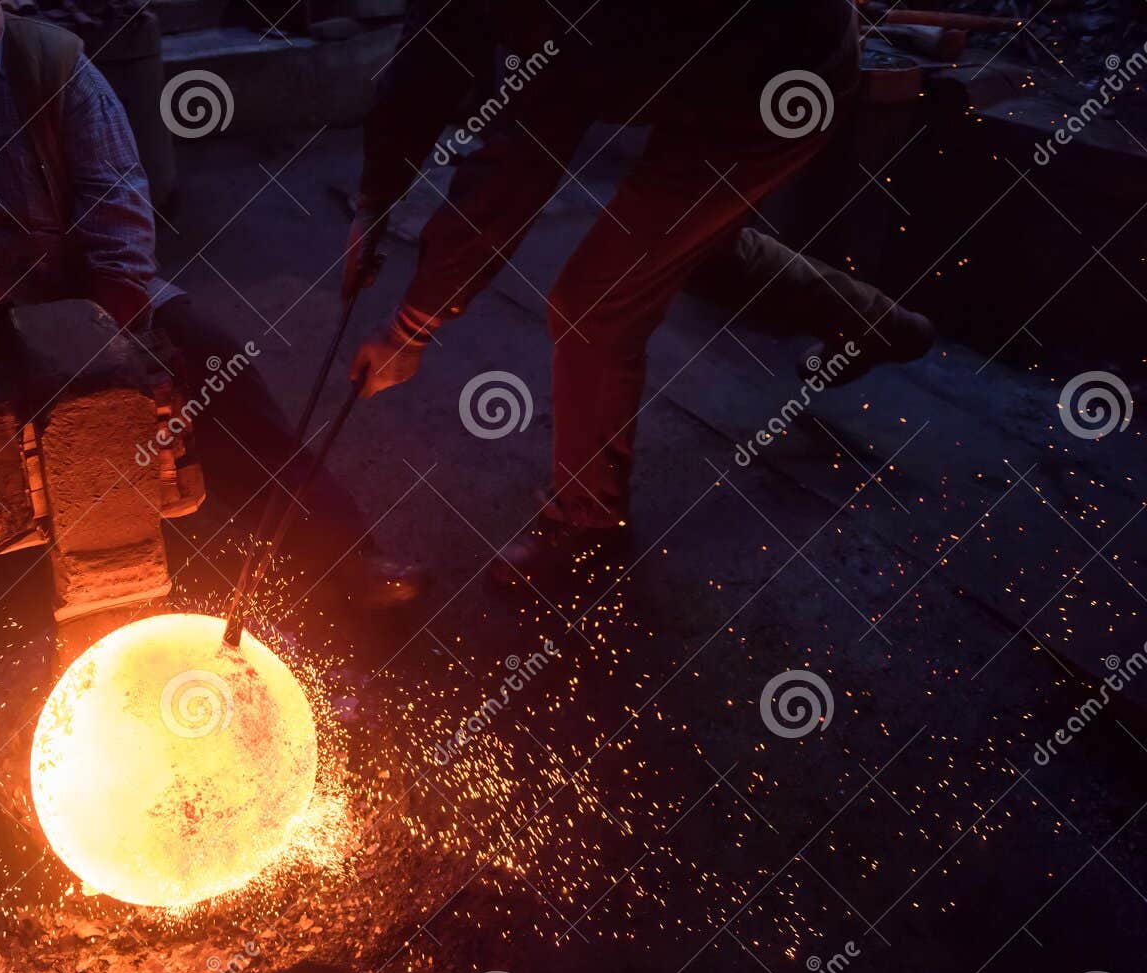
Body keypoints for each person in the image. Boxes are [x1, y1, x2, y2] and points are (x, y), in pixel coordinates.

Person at [0, 0, 422, 608]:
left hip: (77, 304)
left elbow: (121, 240)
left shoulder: (51, 69)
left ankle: (343, 554)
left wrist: (92, 369)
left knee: (221, 370)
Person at [347, 1, 935, 588]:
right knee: (688, 249)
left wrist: (412, 327)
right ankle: (884, 326)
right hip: (714, 59)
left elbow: (521, 156)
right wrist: (376, 196)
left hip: (782, 79)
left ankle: (588, 522)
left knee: (595, 306)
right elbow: (430, 54)